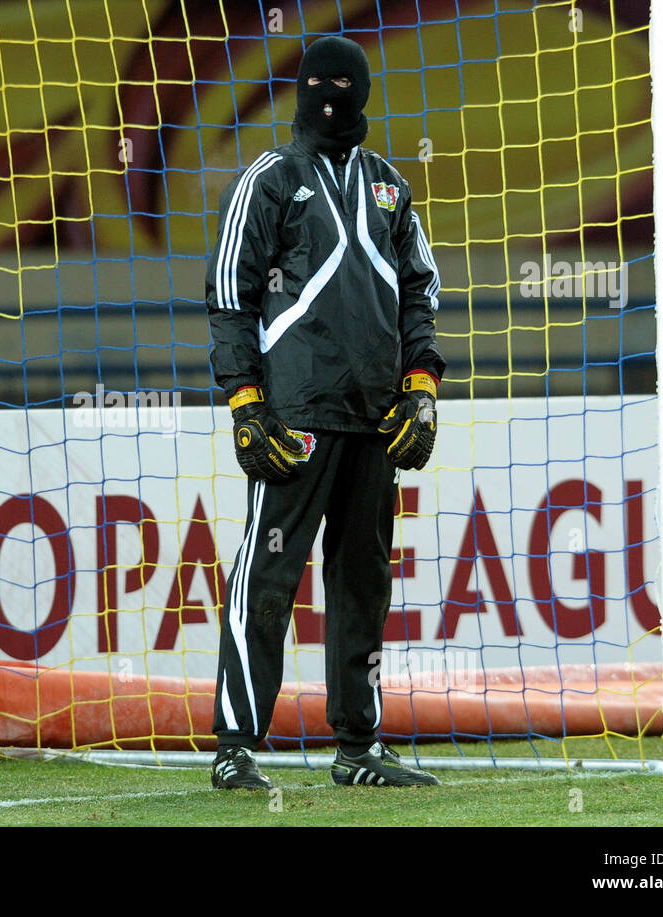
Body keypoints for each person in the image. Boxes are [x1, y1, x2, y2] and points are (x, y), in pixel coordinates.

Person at [205, 35, 444, 789]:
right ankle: (234, 746)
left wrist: (422, 391)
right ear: (302, 92)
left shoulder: (391, 188)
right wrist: (246, 405)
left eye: (346, 82)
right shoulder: (269, 178)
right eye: (321, 83)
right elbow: (228, 297)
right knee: (267, 576)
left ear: (365, 91)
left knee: (363, 581)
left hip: (377, 418)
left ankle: (358, 748)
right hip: (295, 418)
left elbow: (421, 297)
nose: (332, 94)